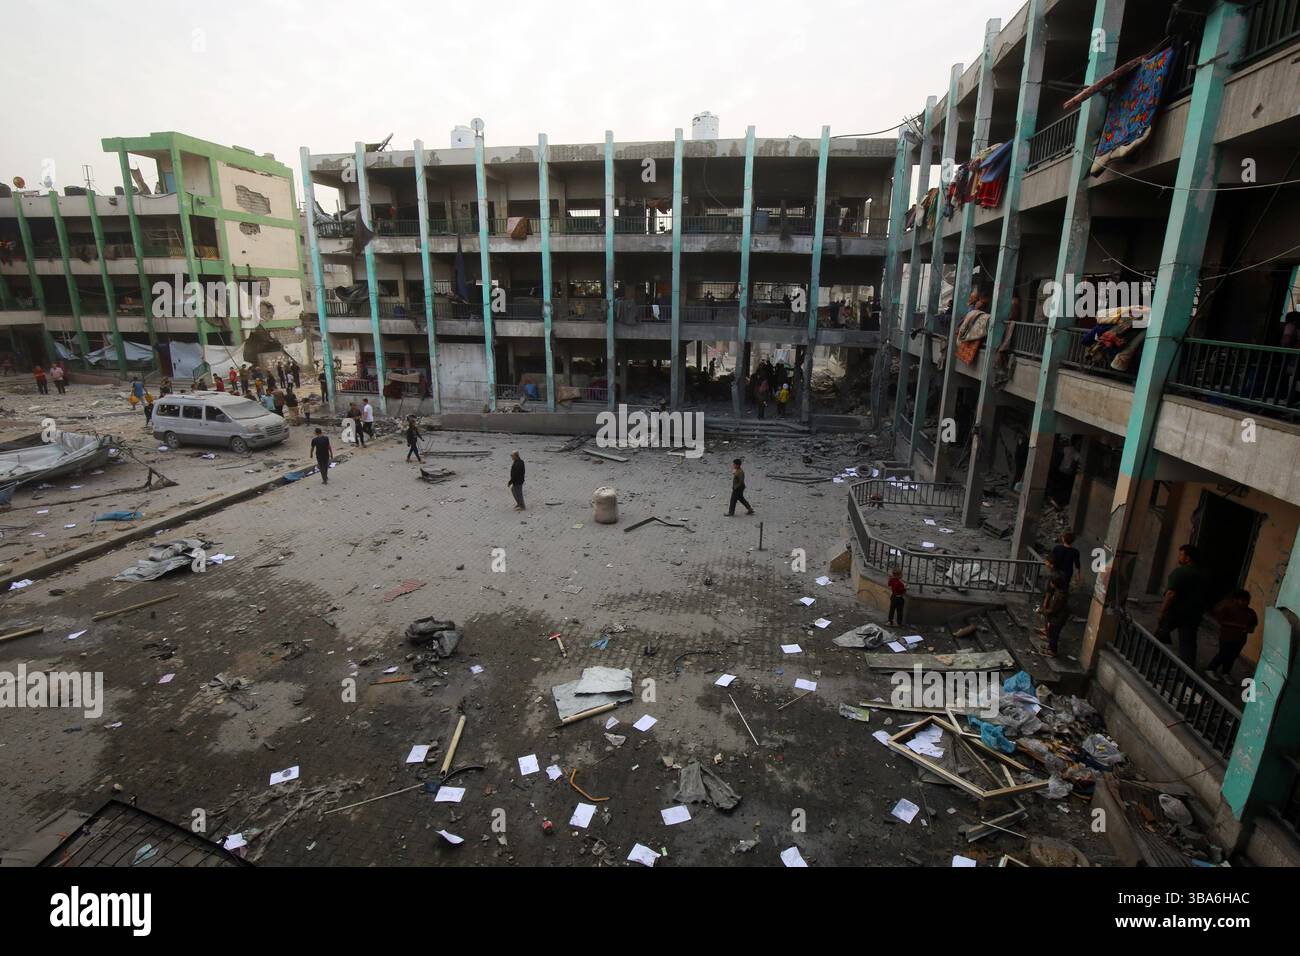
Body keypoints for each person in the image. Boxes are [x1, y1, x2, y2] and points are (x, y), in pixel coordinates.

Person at [1156, 544, 1208, 669]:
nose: (1179, 557)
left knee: (1161, 634)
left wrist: (1162, 611)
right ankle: (1187, 670)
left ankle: (1155, 660)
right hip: (1193, 614)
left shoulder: (1180, 572)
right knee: (1188, 643)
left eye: (1181, 554)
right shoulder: (1204, 575)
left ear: (1188, 558)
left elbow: (1171, 594)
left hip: (1175, 611)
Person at [1206, 590, 1257, 684]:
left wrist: (1249, 629)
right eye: (1243, 600)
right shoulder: (1227, 608)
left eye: (1247, 600)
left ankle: (1225, 673)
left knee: (1232, 656)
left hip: (1240, 639)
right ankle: (1211, 668)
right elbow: (1220, 619)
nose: (1245, 603)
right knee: (1223, 654)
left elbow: (1253, 625)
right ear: (1236, 600)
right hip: (1227, 637)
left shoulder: (1251, 612)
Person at [1041, 576, 1070, 657]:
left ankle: (1053, 651)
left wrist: (1043, 611)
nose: (1050, 584)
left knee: (1053, 634)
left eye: (1051, 582)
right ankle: (1050, 647)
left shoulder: (1060, 596)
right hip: (1057, 617)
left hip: (1058, 618)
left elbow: (1054, 609)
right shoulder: (1059, 592)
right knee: (1051, 633)